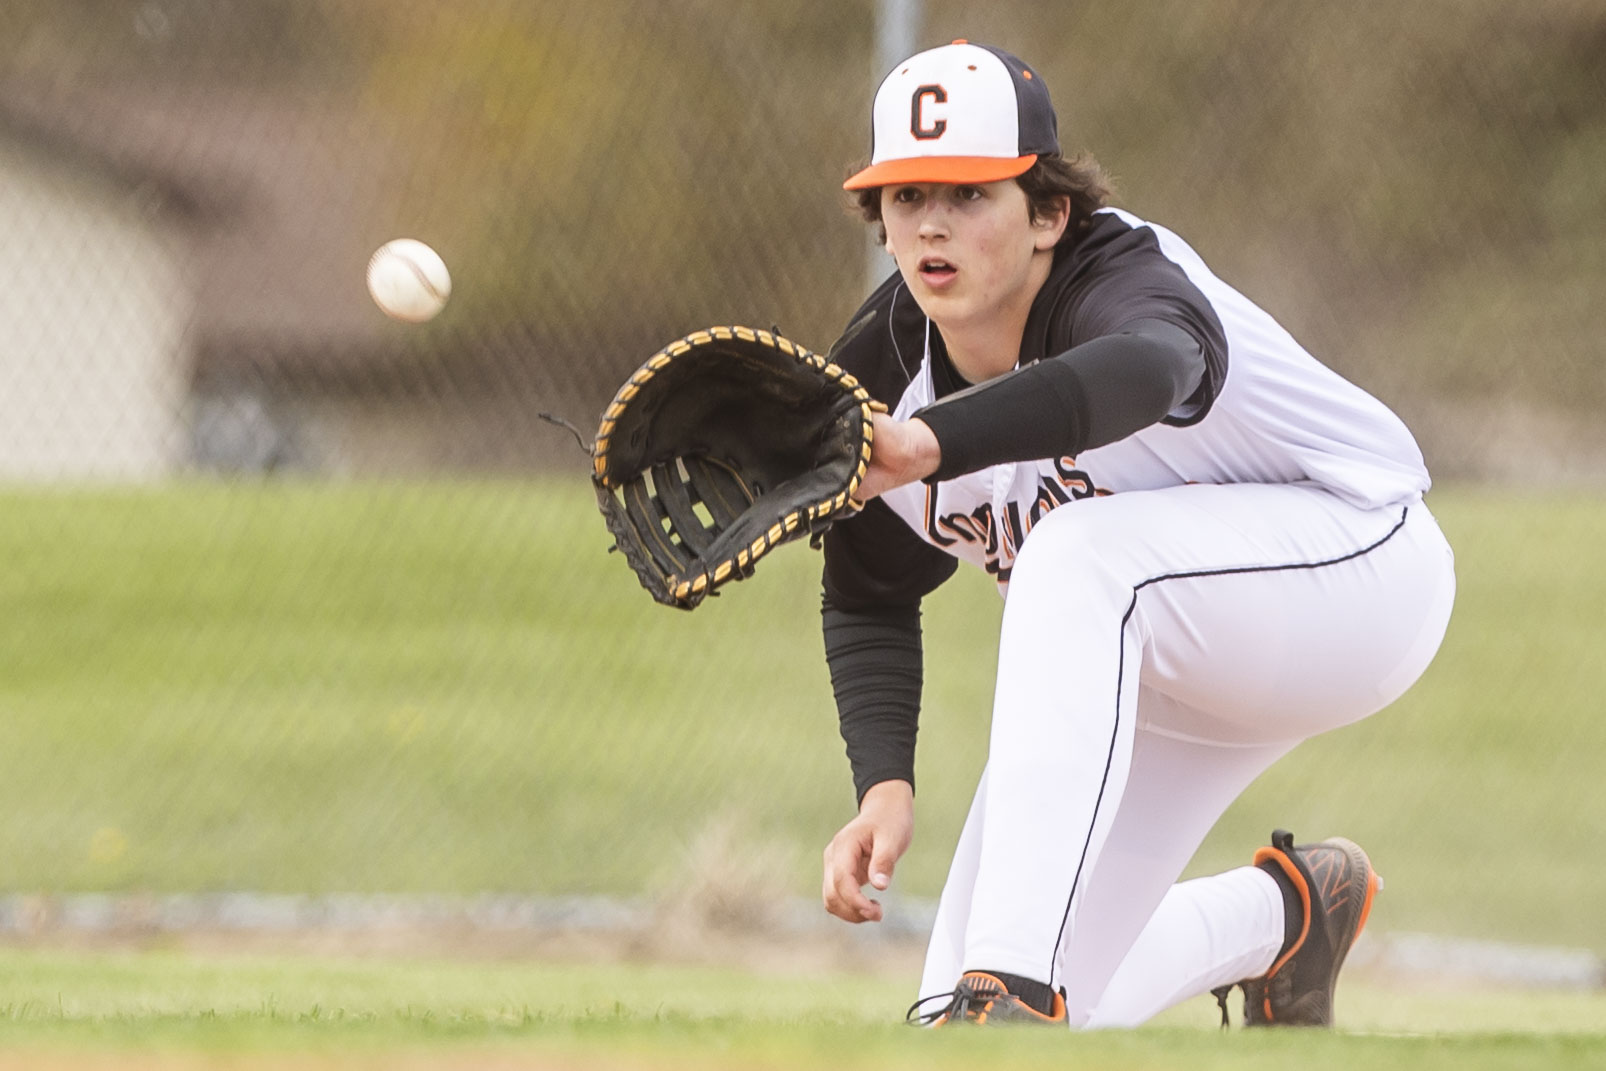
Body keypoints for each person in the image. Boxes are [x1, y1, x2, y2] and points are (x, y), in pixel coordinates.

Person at [815, 40, 1455, 1029]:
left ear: (1048, 213)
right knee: (958, 1026)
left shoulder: (1119, 276)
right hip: (1159, 650)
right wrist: (882, 786)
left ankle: (1012, 982)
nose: (932, 223)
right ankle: (1283, 916)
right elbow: (869, 591)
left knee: (1076, 553)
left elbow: (1151, 369)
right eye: (906, 197)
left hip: (1359, 569)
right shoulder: (879, 374)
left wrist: (928, 444)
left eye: (971, 194)